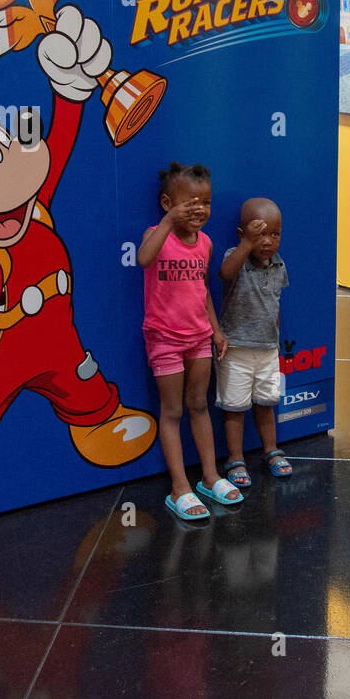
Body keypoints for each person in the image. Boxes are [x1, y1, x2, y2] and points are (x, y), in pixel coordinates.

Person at [138, 162, 239, 520]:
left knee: (199, 405)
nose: (200, 210)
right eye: (190, 203)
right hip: (164, 338)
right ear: (167, 204)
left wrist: (216, 329)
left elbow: (204, 292)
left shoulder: (207, 243)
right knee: (173, 411)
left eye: (206, 203)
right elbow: (142, 258)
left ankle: (209, 477)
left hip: (199, 338)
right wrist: (167, 224)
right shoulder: (156, 235)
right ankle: (179, 486)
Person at [216, 197, 292, 484]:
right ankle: (235, 458)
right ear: (242, 235)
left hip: (267, 350)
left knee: (265, 403)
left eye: (274, 234)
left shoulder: (280, 264)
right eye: (259, 234)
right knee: (235, 408)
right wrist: (245, 245)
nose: (268, 241)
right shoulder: (235, 258)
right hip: (235, 349)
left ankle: (271, 450)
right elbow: (225, 274)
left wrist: (275, 338)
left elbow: (276, 304)